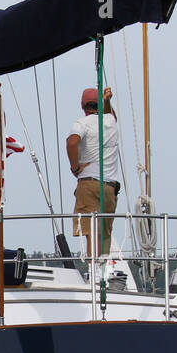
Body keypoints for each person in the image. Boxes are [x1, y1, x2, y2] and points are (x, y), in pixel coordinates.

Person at [66, 86, 122, 260]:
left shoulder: (81, 124)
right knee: (105, 231)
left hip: (89, 182)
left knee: (91, 230)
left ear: (82, 106)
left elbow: (72, 143)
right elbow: (111, 115)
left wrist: (75, 167)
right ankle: (103, 266)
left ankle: (94, 268)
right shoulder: (110, 122)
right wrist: (107, 100)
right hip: (110, 187)